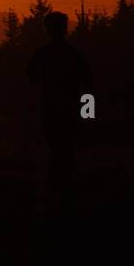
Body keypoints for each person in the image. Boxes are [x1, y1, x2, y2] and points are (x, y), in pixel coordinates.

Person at [27, 11, 92, 215]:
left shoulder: (43, 53)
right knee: (65, 150)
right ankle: (65, 192)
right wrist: (86, 113)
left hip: (51, 108)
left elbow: (31, 76)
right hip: (68, 108)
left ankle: (57, 192)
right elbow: (87, 82)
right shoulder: (73, 54)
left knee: (56, 149)